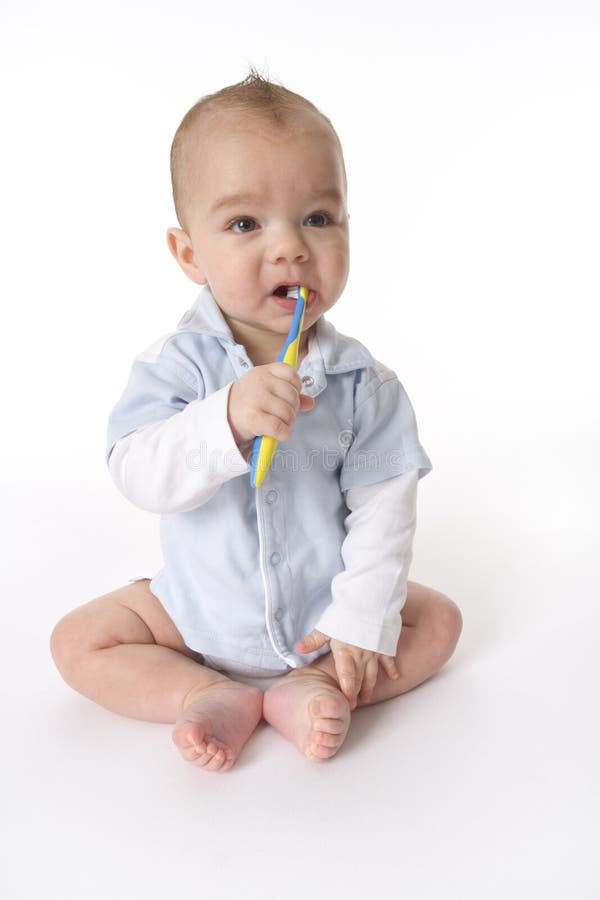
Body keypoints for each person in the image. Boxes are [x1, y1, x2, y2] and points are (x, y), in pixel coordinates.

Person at [50, 72, 463, 772]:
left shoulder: (364, 383)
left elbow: (385, 512)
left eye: (318, 218)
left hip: (318, 618)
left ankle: (314, 684)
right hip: (192, 612)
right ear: (189, 254)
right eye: (245, 224)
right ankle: (204, 691)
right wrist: (226, 421)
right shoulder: (174, 368)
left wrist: (358, 620)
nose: (291, 247)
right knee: (78, 642)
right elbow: (138, 473)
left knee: (439, 622)